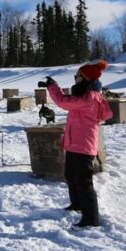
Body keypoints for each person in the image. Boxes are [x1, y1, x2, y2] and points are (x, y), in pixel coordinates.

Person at [46, 60, 113, 227]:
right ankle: (76, 204)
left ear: (85, 78)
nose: (75, 79)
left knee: (84, 183)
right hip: (74, 144)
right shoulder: (88, 95)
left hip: (83, 146)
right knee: (71, 176)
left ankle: (91, 219)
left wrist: (53, 87)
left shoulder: (89, 97)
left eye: (77, 76)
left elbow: (63, 102)